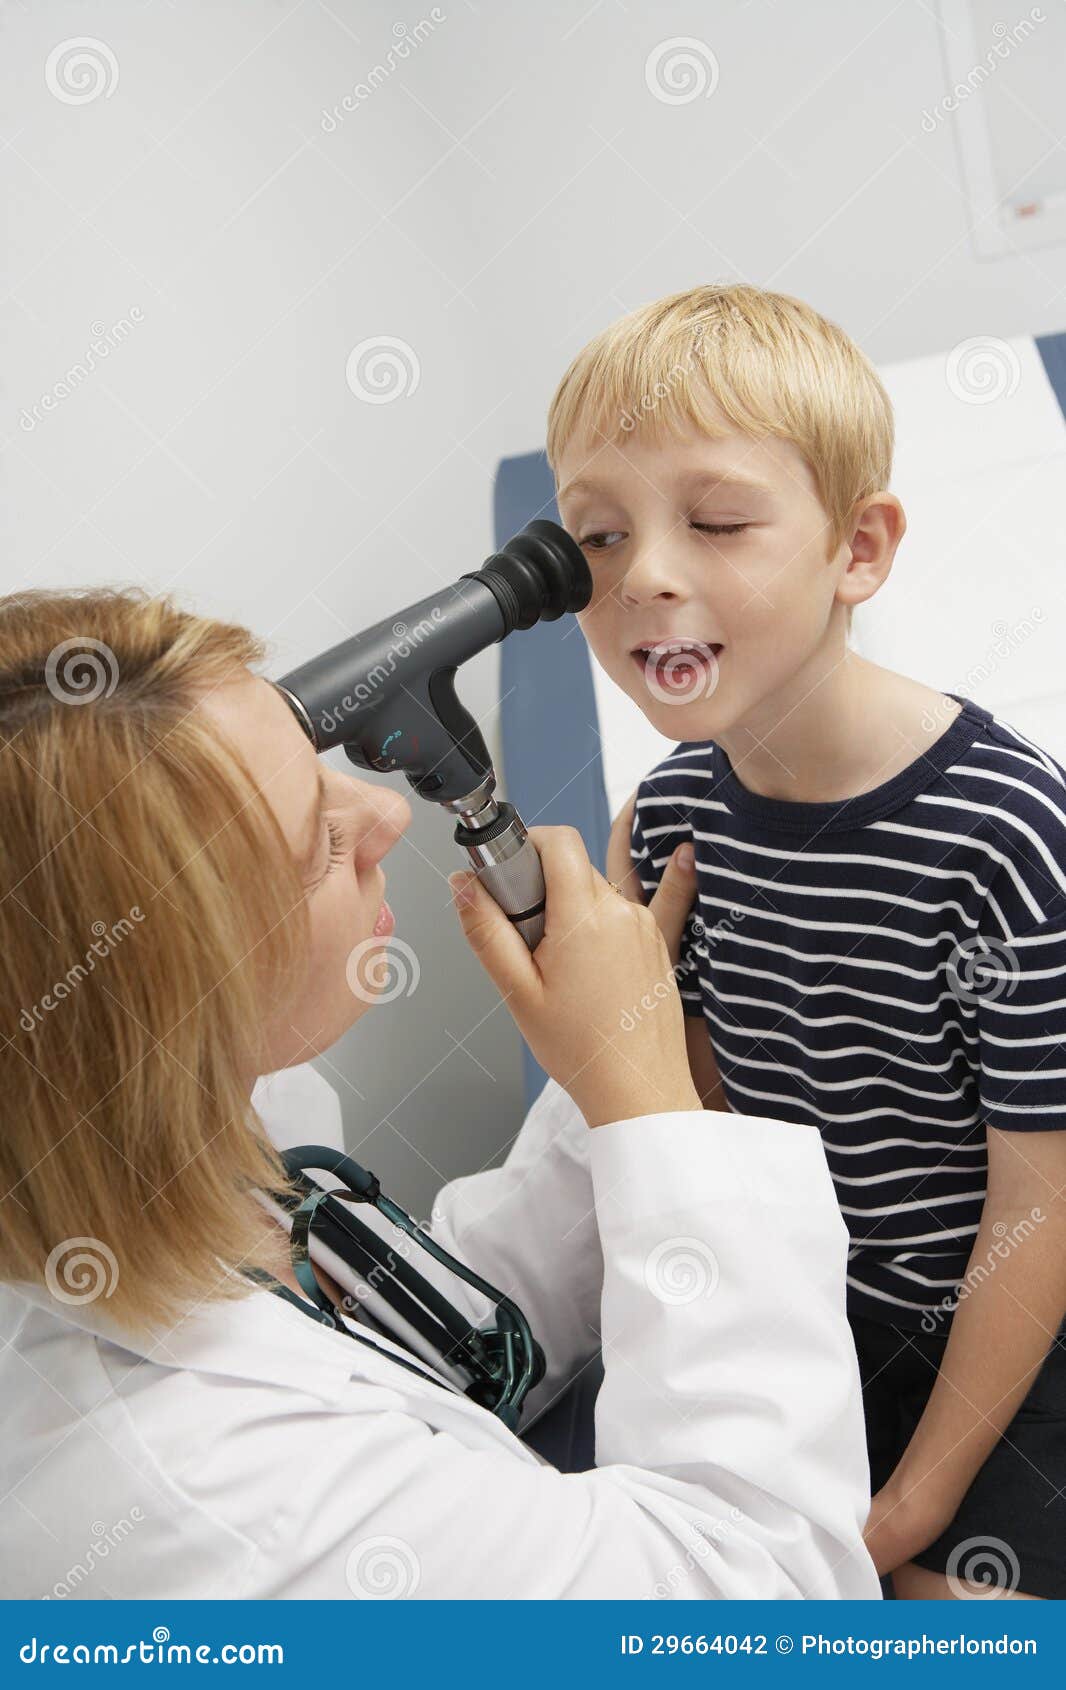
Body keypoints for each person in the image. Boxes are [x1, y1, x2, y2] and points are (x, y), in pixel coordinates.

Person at [0, 587, 880, 1600]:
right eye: (318, 844)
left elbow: (396, 1346)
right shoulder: (227, 1501)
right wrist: (650, 1111)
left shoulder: (133, 1137)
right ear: (164, 1010)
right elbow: (762, 1601)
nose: (379, 812)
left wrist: (622, 1070)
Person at [549, 281, 1066, 1600]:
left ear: (856, 548)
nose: (644, 574)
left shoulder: (1004, 832)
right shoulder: (663, 820)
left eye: (714, 521)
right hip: (808, 1291)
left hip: (1005, 1306)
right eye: (596, 539)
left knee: (946, 1609)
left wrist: (918, 1498)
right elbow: (700, 1108)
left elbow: (1040, 1200)